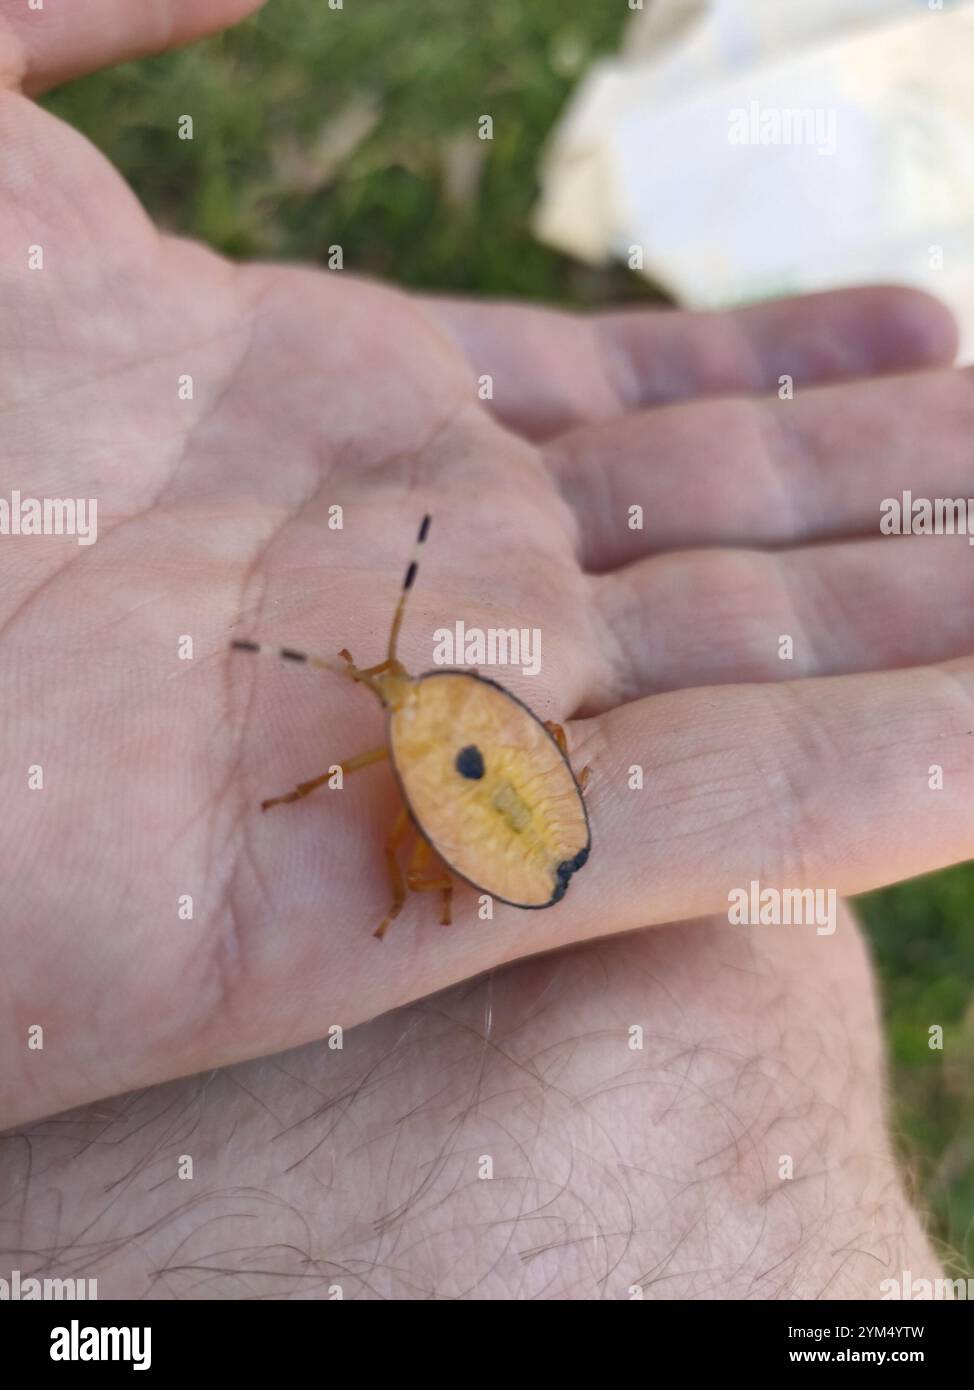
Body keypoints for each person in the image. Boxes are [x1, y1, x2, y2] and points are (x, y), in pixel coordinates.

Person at [1, 0, 967, 1297]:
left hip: (507, 818)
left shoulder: (435, 721)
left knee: (423, 841)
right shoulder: (439, 721)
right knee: (437, 843)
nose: (390, 679)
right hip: (507, 819)